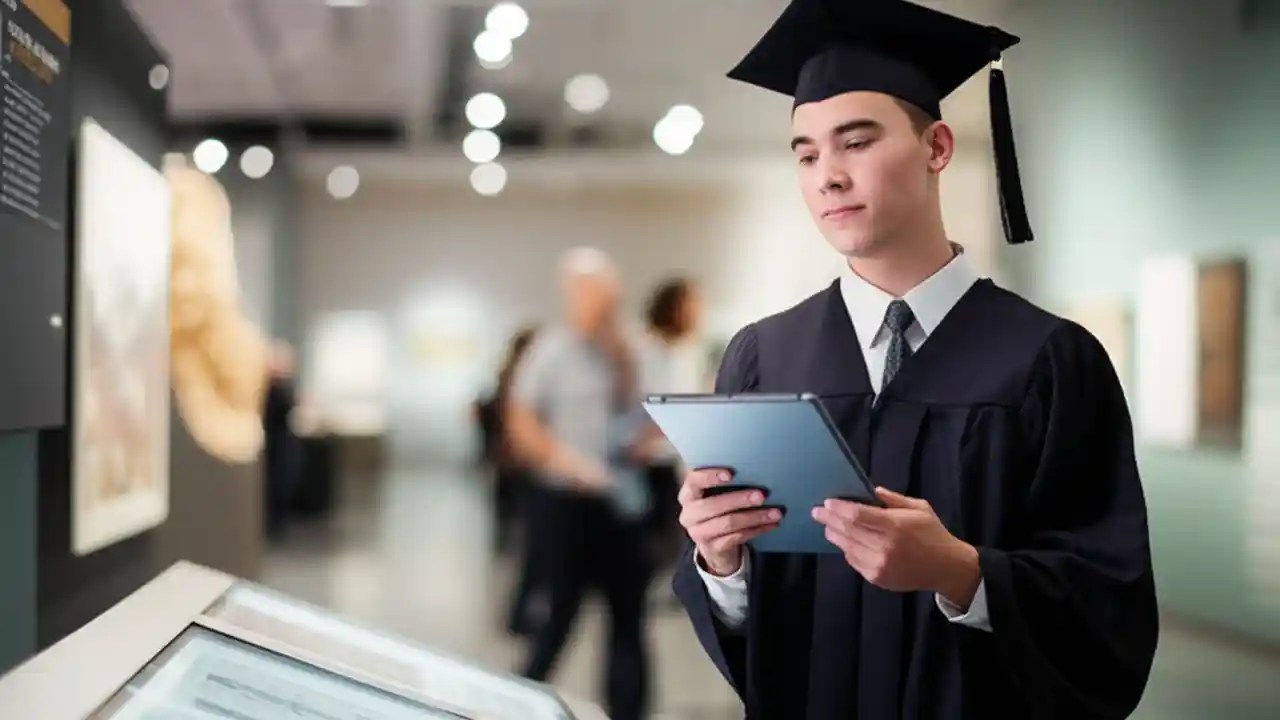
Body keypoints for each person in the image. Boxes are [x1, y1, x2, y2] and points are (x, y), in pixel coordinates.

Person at [673, 1, 1159, 718]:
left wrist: (962, 573)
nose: (827, 176)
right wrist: (721, 564)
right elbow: (757, 635)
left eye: (856, 142)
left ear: (936, 147)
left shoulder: (1048, 361)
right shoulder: (762, 357)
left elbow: (1108, 602)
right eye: (806, 154)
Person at [506, 247, 652, 720]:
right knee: (557, 616)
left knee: (628, 619)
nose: (604, 302)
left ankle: (628, 711)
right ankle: (514, 703)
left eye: (610, 293)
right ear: (573, 293)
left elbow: (648, 415)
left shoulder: (628, 350)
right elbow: (522, 420)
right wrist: (562, 459)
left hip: (621, 503)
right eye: (594, 292)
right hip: (565, 502)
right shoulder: (550, 350)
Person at [636, 279, 708, 591]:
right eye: (690, 305)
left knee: (676, 524)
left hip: (678, 452)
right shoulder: (646, 349)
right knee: (652, 528)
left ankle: (675, 582)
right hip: (648, 455)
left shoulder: (689, 351)